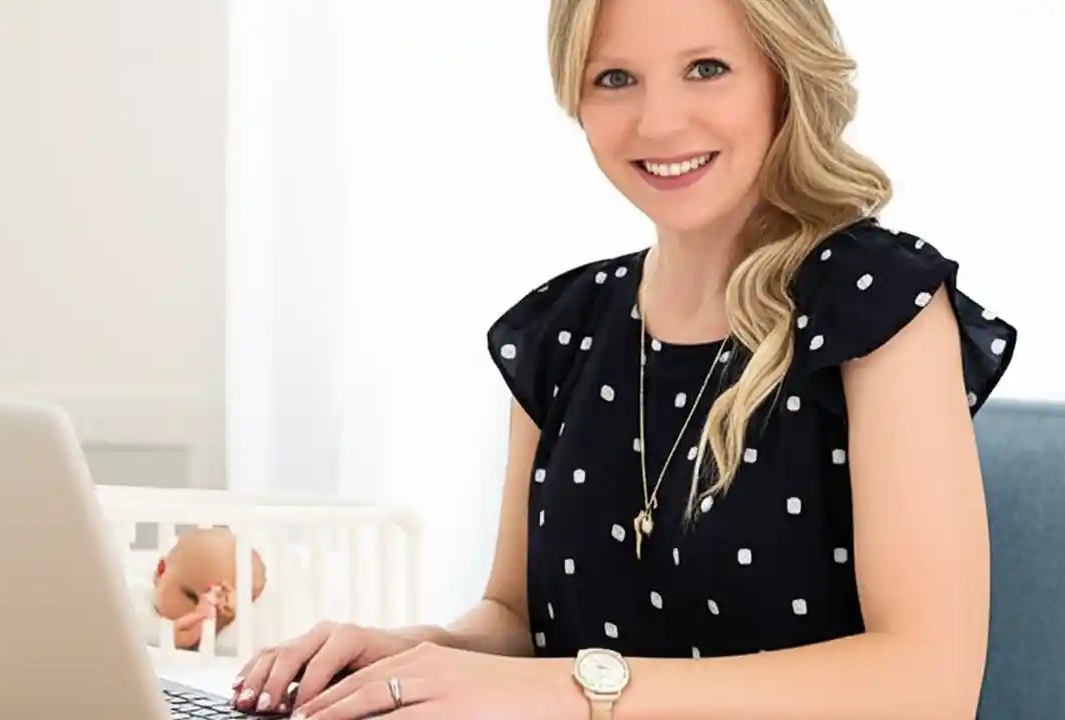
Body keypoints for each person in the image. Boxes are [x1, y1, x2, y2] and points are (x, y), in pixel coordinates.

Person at [230, 0, 1017, 717]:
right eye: (615, 79)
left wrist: (574, 692)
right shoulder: (563, 329)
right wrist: (416, 658)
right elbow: (516, 621)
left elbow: (928, 684)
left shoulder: (880, 302)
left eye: (705, 69)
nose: (659, 122)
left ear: (782, 77)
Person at [133, 527, 267, 650]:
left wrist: (221, 622)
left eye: (216, 608)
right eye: (191, 596)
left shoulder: (238, 638)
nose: (198, 611)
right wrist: (172, 636)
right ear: (161, 571)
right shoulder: (132, 601)